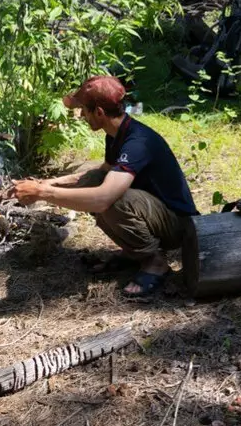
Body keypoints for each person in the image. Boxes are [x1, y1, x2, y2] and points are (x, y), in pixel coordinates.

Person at [11, 75, 198, 297]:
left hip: (179, 225)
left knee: (113, 199)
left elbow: (103, 198)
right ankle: (134, 253)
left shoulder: (138, 142)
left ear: (99, 112)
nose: (80, 115)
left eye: (84, 110)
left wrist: (42, 193)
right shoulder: (116, 133)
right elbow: (101, 172)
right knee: (94, 182)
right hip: (156, 215)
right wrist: (47, 182)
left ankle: (155, 262)